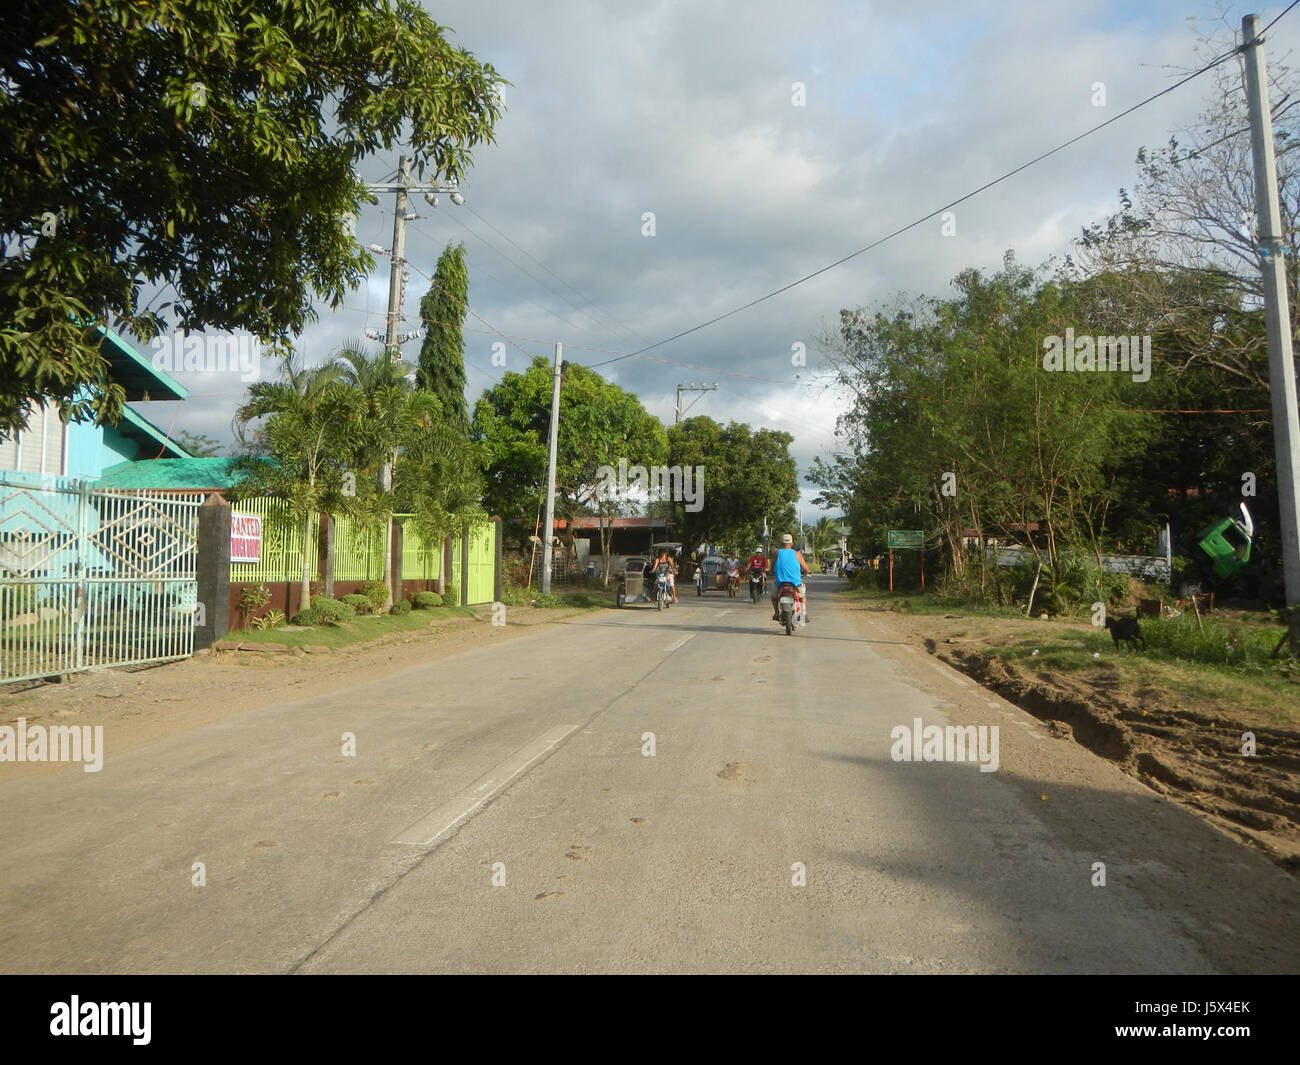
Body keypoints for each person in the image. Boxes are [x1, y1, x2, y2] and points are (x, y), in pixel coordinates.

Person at [770, 533, 810, 623]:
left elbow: (772, 565)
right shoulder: (797, 554)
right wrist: (807, 572)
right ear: (792, 543)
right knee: (802, 596)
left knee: (773, 596)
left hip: (780, 583)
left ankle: (776, 613)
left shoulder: (776, 552)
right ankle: (803, 613)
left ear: (781, 543)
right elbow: (806, 568)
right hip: (795, 583)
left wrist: (772, 570)